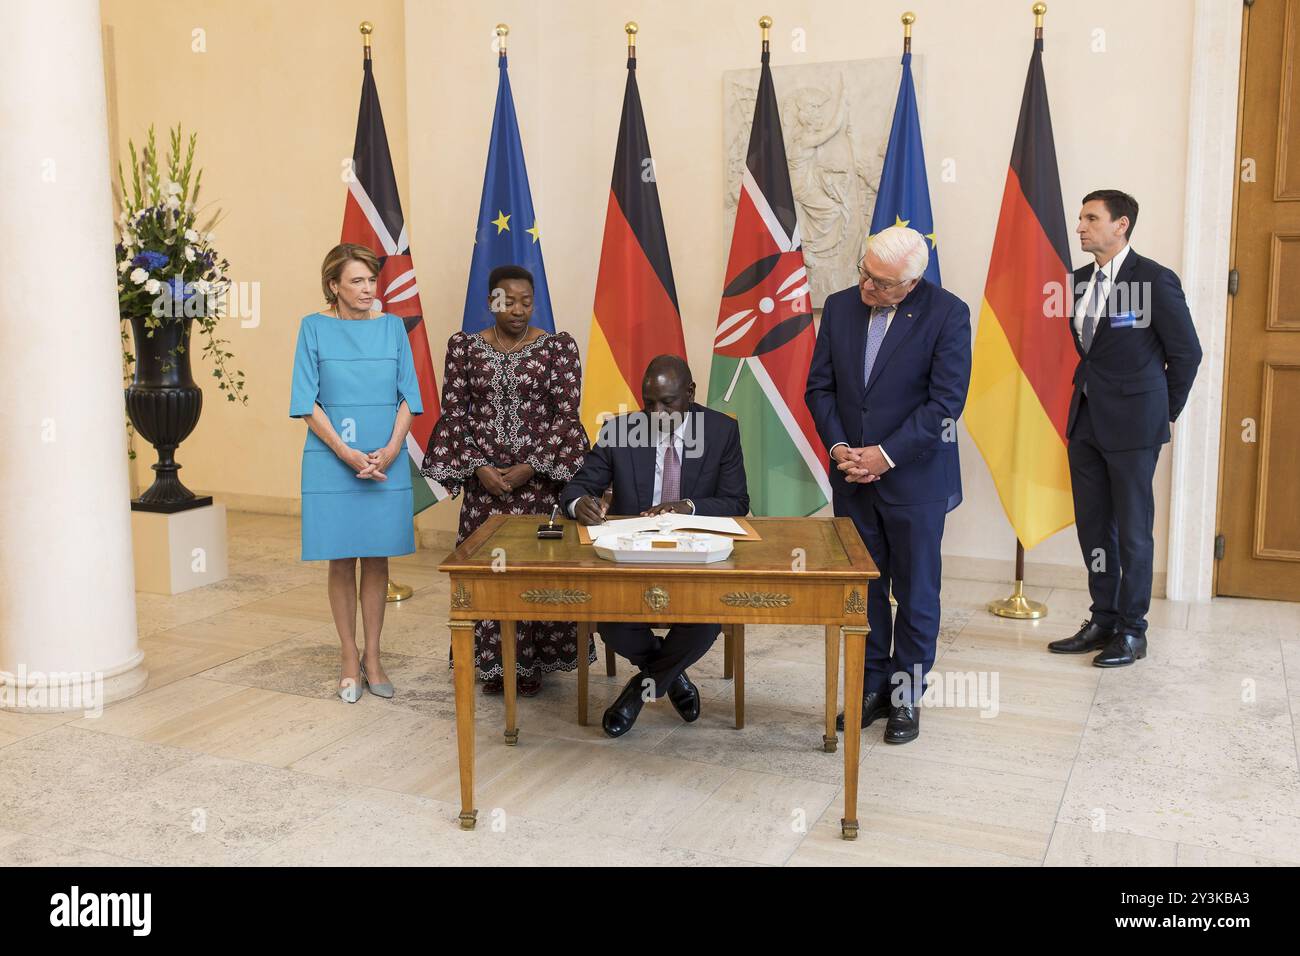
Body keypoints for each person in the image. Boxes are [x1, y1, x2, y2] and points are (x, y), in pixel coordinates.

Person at [805, 225, 972, 744]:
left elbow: (945, 406)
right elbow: (820, 387)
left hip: (915, 479)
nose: (866, 288)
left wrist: (885, 455)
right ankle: (871, 686)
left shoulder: (948, 314)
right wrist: (840, 451)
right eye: (864, 273)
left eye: (880, 283)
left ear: (912, 283)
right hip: (851, 476)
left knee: (916, 592)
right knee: (865, 589)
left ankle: (906, 696)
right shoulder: (839, 307)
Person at [1047, 190, 1202, 667]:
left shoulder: (1154, 280)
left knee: (1133, 531)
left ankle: (1133, 630)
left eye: (1091, 219)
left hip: (1135, 426)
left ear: (1122, 225)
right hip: (1087, 421)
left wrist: (1162, 413)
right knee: (1094, 526)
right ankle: (1103, 617)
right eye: (1080, 219)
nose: (1080, 228)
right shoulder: (1076, 282)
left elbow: (1187, 353)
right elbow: (1090, 352)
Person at [559, 355, 750, 739]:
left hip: (697, 559)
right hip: (633, 559)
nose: (657, 412)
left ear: (691, 394)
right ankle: (671, 677)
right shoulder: (619, 432)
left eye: (668, 403)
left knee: (706, 620)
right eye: (649, 403)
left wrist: (687, 507)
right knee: (611, 618)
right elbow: (576, 488)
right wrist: (579, 504)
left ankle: (639, 690)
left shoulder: (719, 431)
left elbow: (736, 502)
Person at [421, 265, 591, 696]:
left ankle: (531, 662)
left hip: (539, 487)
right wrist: (479, 465)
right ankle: (494, 662)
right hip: (486, 488)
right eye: (507, 301)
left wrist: (530, 465)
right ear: (491, 302)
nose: (518, 309)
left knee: (532, 573)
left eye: (526, 301)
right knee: (488, 572)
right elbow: (455, 412)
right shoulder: (464, 348)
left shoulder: (557, 348)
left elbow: (565, 415)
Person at [290, 243, 423, 703]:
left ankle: (374, 656)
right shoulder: (313, 328)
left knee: (378, 556)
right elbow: (306, 402)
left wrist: (389, 450)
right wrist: (347, 454)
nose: (368, 289)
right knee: (342, 558)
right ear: (334, 286)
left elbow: (411, 397)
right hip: (332, 459)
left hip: (385, 460)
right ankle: (348, 656)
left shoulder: (392, 329)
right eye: (357, 281)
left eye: (371, 280)